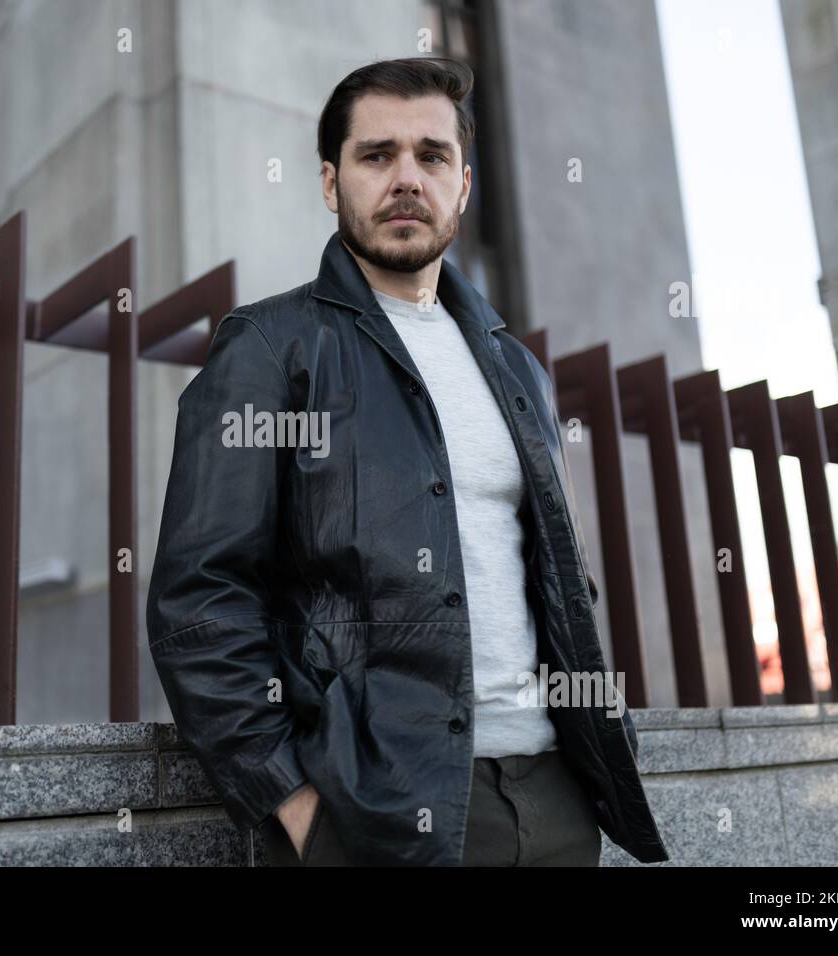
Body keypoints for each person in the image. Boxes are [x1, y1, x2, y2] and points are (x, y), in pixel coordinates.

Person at [146, 56, 668, 867]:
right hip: (375, 817)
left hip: (556, 803)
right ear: (330, 182)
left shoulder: (514, 365)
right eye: (376, 155)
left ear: (463, 184)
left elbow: (558, 579)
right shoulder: (270, 349)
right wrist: (299, 808)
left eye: (432, 156)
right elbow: (200, 599)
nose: (406, 179)